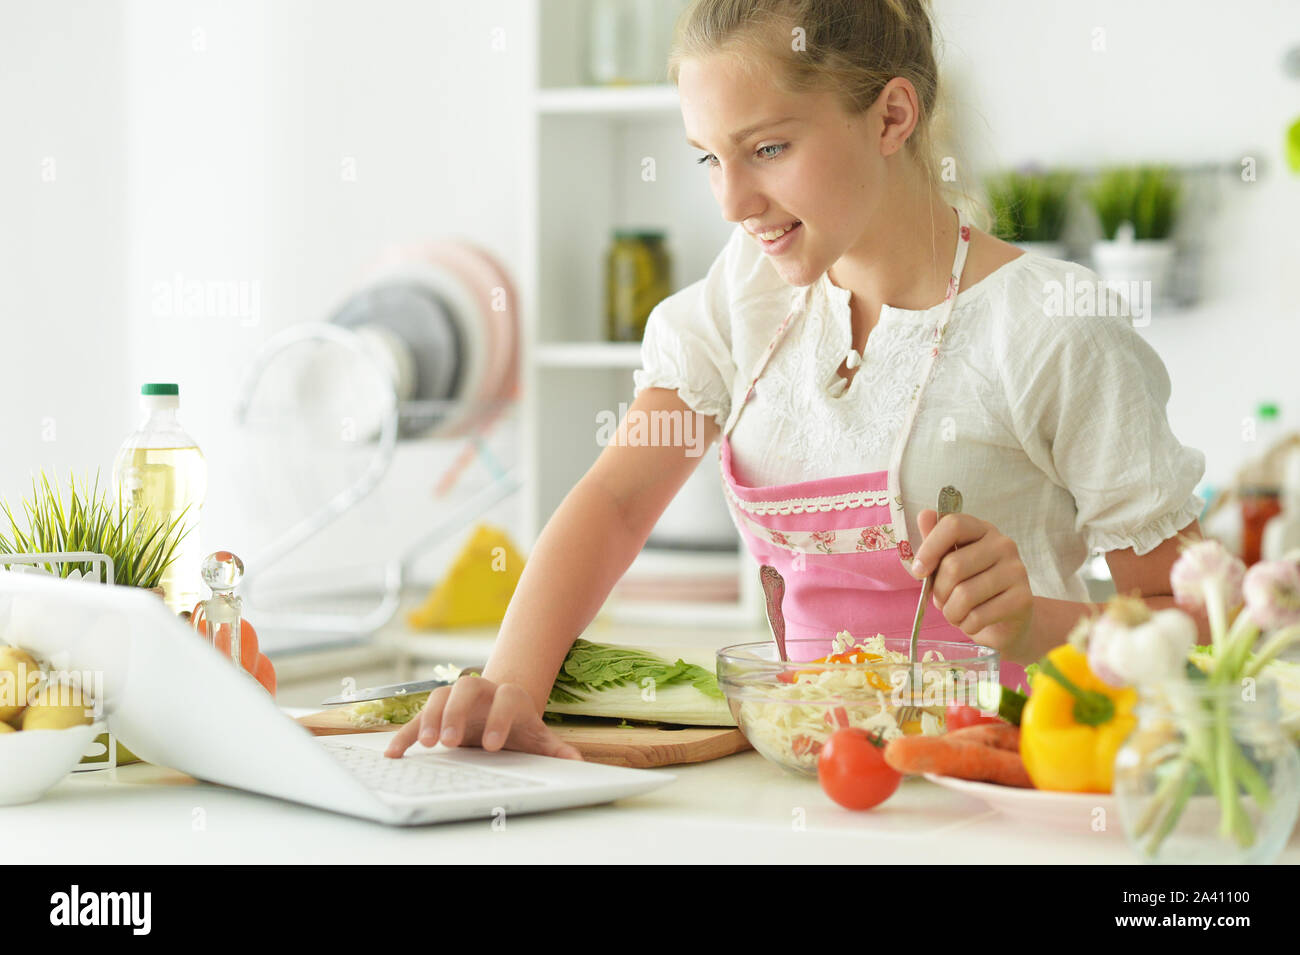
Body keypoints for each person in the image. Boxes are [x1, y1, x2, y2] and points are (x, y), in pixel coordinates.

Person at [387, 0, 1206, 761]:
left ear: (891, 115)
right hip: (811, 779)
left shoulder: (1049, 327)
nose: (734, 200)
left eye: (768, 149)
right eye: (709, 158)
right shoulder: (743, 298)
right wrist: (510, 690)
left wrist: (1037, 622)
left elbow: (1206, 633)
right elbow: (616, 502)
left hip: (1014, 778)